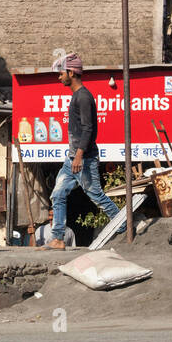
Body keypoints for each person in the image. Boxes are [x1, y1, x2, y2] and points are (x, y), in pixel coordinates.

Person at [48, 52, 121, 249]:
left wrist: (79, 156)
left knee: (96, 196)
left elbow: (89, 129)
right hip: (72, 158)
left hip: (84, 159)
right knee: (58, 194)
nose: (59, 76)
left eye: (61, 73)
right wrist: (74, 156)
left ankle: (124, 228)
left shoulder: (84, 97)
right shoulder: (76, 96)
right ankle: (57, 239)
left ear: (71, 73)